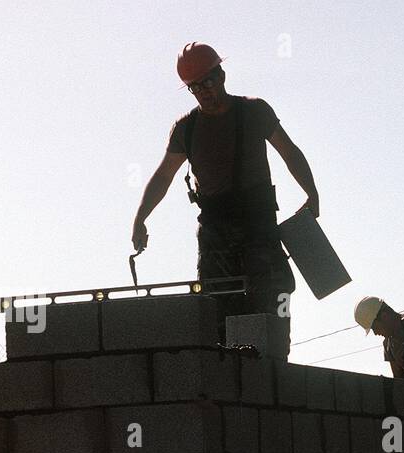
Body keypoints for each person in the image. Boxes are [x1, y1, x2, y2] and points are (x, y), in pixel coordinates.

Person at [131, 43, 320, 319]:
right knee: (218, 310)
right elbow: (163, 176)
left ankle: (275, 360)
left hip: (259, 226)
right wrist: (140, 218)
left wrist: (311, 193)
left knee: (272, 301)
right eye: (195, 87)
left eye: (207, 82)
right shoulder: (186, 128)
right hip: (216, 232)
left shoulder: (255, 111)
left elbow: (289, 151)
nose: (203, 91)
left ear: (221, 75)